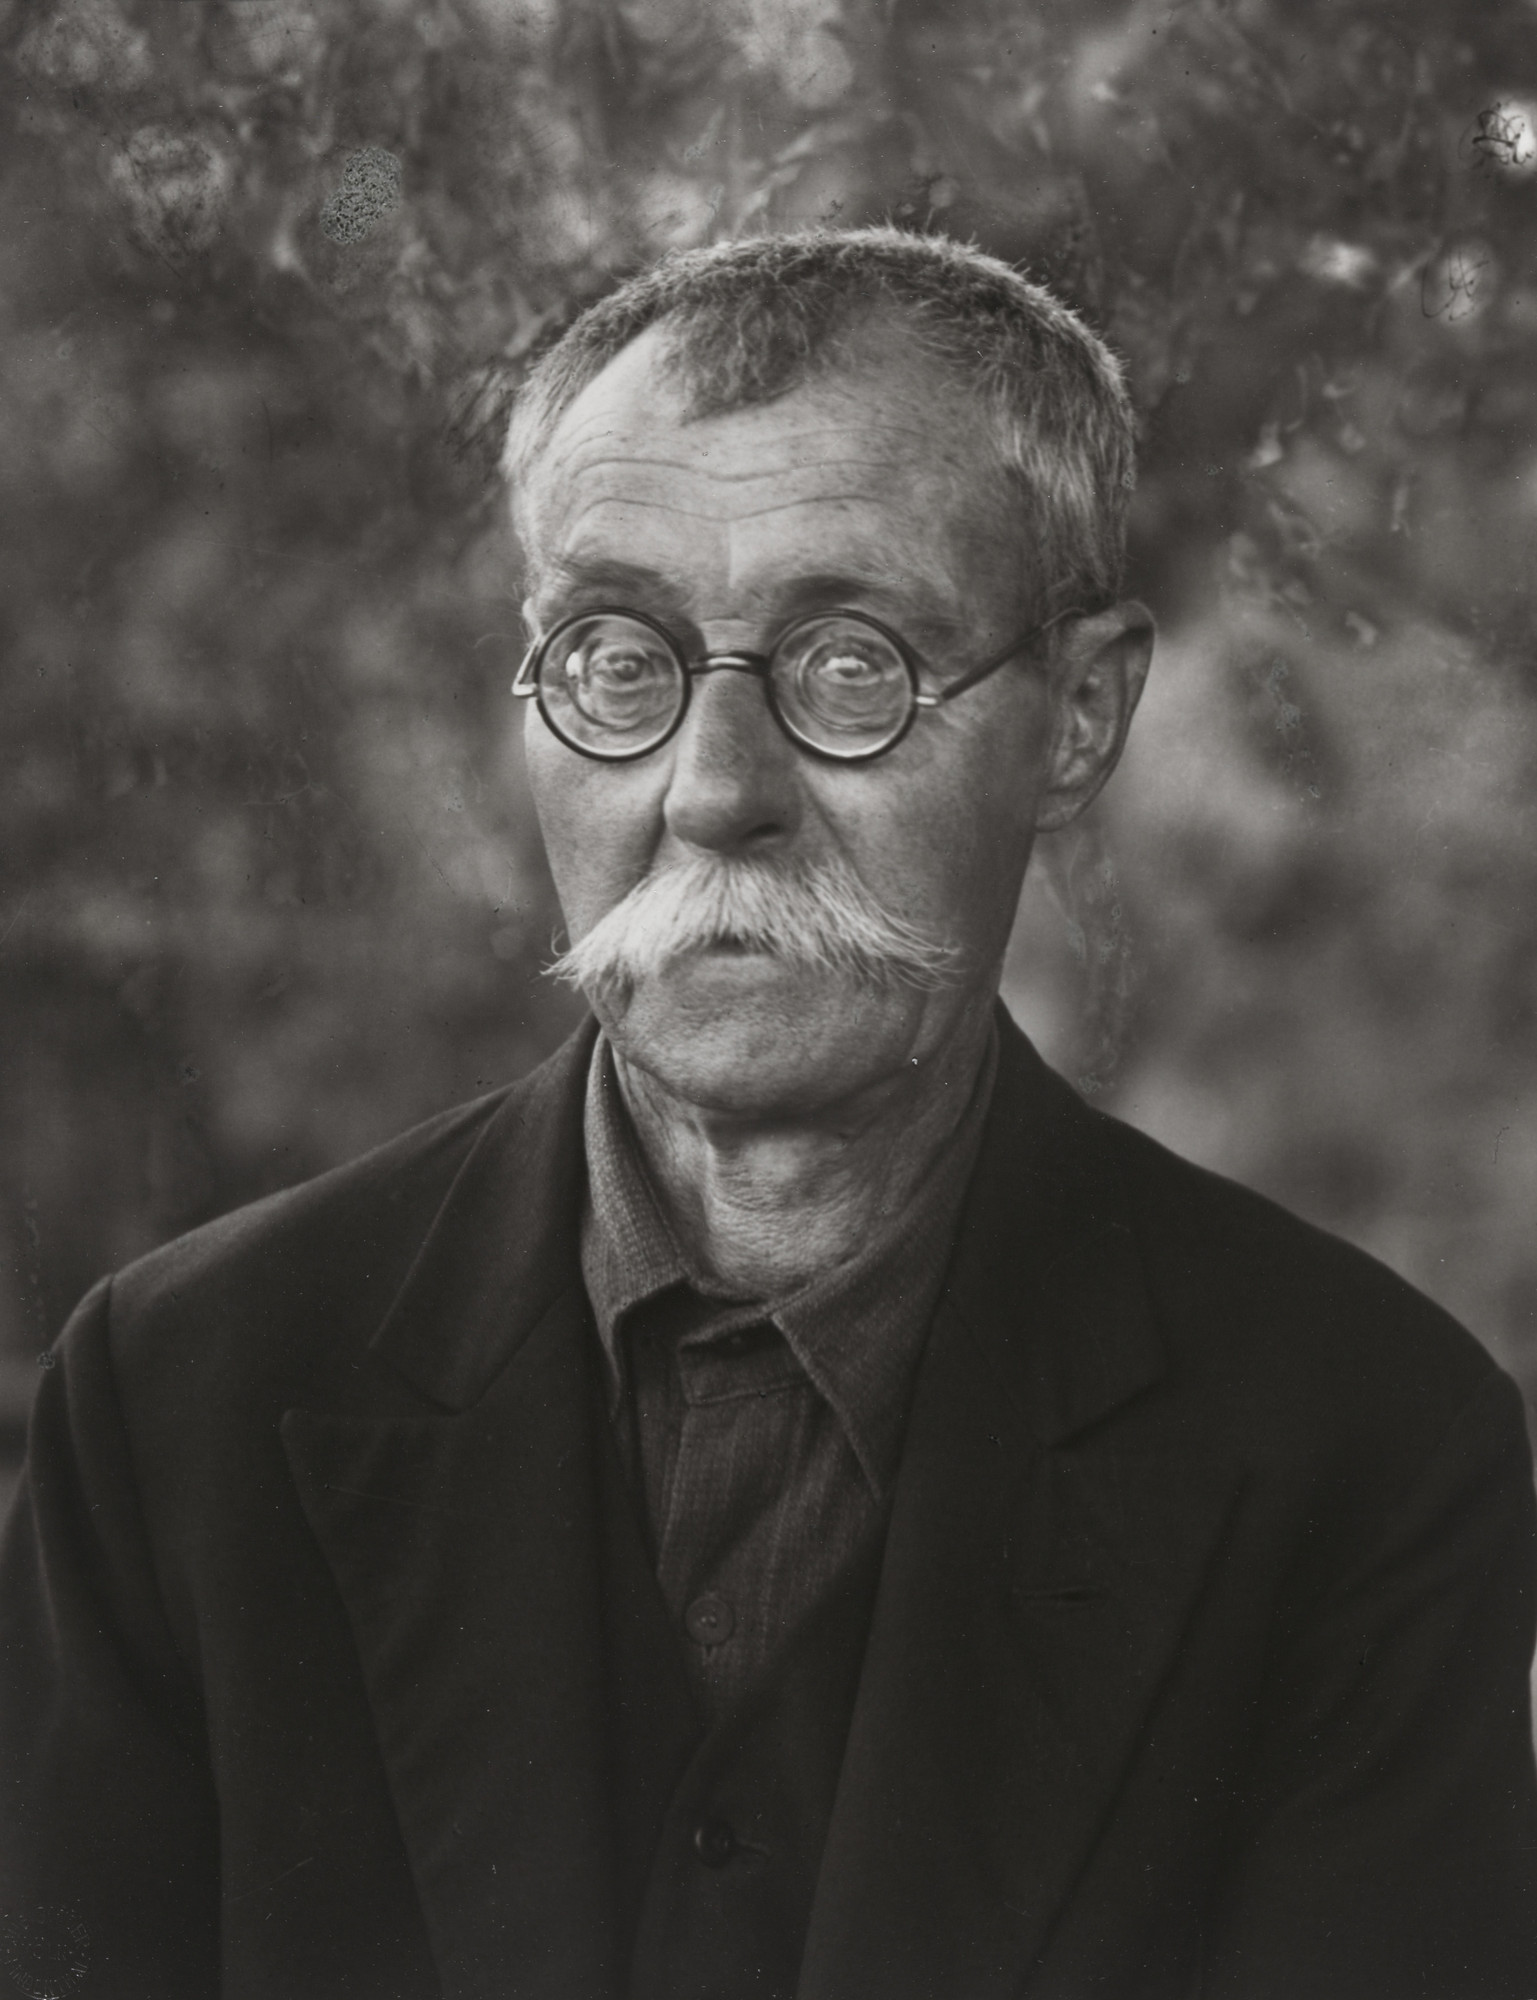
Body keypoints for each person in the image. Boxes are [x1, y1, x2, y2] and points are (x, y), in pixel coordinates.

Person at [2, 228, 1535, 2000]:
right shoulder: (176, 1403)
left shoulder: (1362, 1446)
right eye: (616, 658)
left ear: (1079, 717)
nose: (712, 791)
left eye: (849, 662)